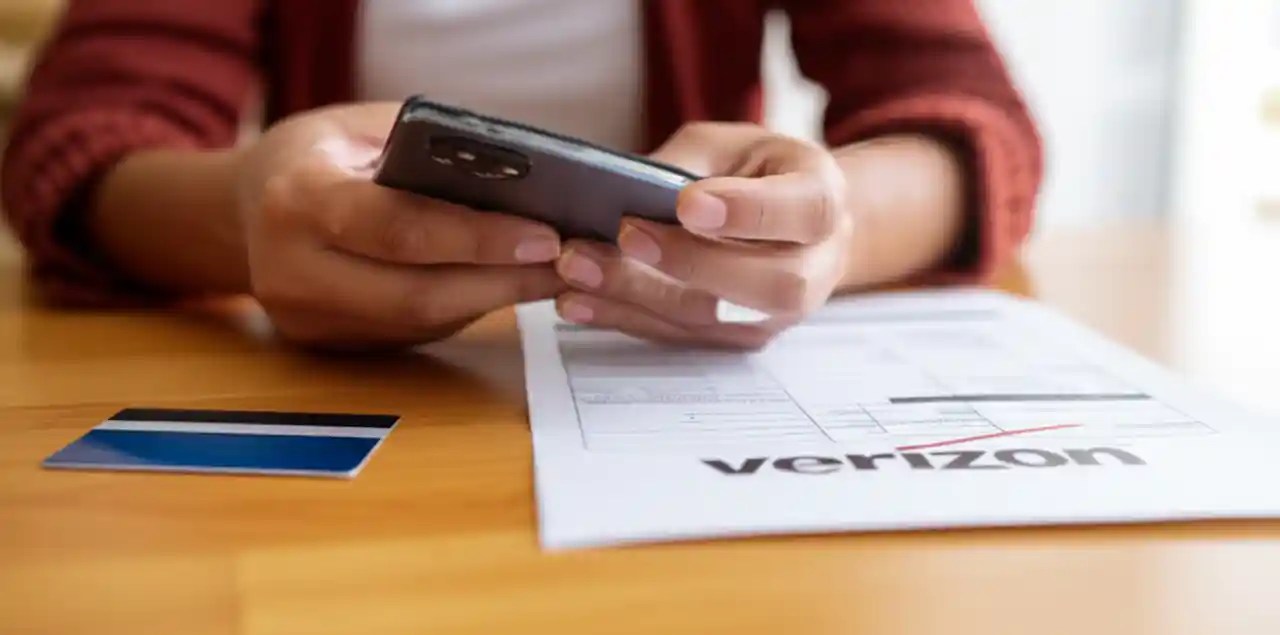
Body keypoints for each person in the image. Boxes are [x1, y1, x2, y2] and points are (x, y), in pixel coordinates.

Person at [1, 0, 1041, 350]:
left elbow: (970, 122)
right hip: (361, 396)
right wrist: (247, 221)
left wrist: (835, 225)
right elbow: (78, 146)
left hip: (648, 397)